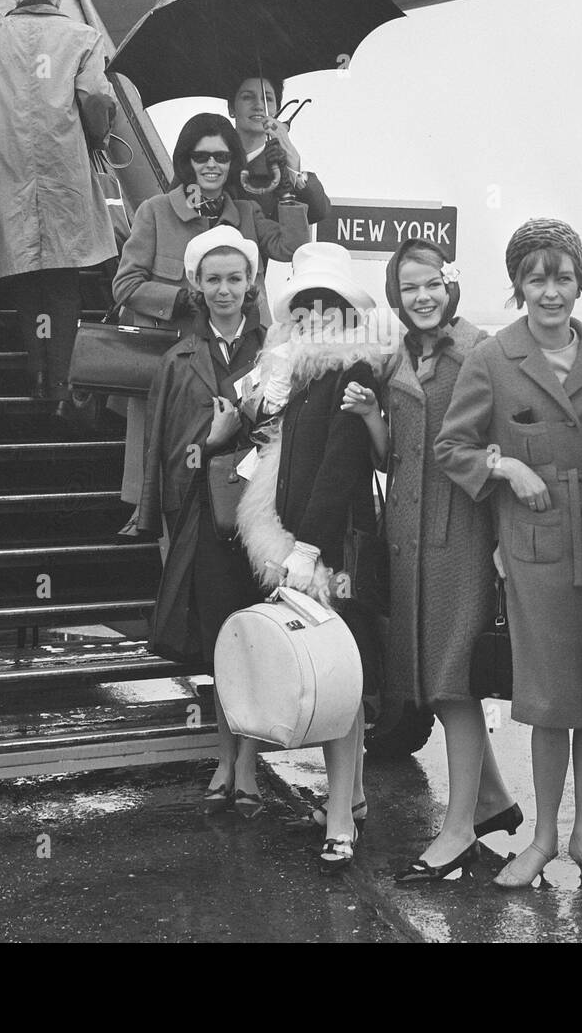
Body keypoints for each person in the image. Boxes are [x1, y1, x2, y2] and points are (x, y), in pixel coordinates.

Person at [435, 219, 582, 893]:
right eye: (538, 277)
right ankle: (545, 836)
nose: (552, 291)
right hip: (533, 551)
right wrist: (506, 470)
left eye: (564, 277)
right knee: (549, 699)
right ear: (519, 284)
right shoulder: (492, 356)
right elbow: (452, 446)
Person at [236, 242, 398, 872]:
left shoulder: (351, 371)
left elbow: (341, 465)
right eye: (305, 305)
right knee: (338, 680)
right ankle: (350, 799)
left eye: (326, 305)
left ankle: (338, 819)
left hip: (335, 553)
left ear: (345, 314)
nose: (313, 315)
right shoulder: (302, 376)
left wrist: (307, 548)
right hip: (304, 549)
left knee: (340, 686)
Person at [374, 238, 519, 884]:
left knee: (452, 681)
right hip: (407, 540)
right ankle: (490, 800)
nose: (422, 296)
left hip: (460, 533)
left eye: (431, 283)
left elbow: (501, 443)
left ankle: (458, 831)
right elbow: (395, 458)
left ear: (450, 285)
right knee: (432, 674)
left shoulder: (477, 352)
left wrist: (500, 539)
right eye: (409, 288)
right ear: (395, 297)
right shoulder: (396, 356)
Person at [112, 114, 311, 514]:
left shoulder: (248, 211)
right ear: (186, 161)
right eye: (201, 157)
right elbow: (125, 286)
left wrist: (290, 173)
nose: (212, 165)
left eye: (222, 156)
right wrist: (182, 299)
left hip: (237, 370)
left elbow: (293, 248)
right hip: (176, 374)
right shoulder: (155, 212)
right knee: (170, 488)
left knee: (237, 484)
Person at [134, 226, 266, 815]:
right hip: (205, 517)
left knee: (260, 640)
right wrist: (211, 445)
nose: (224, 289)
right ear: (194, 284)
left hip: (264, 517)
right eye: (213, 279)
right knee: (221, 641)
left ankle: (249, 763)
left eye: (235, 278)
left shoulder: (275, 351)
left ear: (251, 282)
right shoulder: (179, 359)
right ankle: (223, 754)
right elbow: (164, 448)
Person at [0, 0, 117, 412]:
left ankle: (38, 376)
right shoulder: (83, 37)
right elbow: (96, 99)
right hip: (64, 168)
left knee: (28, 276)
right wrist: (98, 137)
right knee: (64, 277)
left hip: (7, 166)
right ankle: (65, 384)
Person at [227, 75, 329, 227]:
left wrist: (292, 158)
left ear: (276, 109)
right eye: (248, 97)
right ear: (231, 108)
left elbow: (318, 211)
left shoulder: (282, 165)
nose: (259, 106)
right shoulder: (209, 158)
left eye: (267, 99)